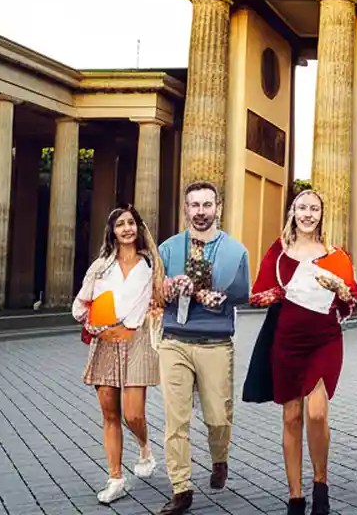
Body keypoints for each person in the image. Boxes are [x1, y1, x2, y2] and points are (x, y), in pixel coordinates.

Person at [244, 188, 357, 515]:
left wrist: (338, 288)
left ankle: (320, 482)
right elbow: (258, 295)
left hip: (324, 339)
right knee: (292, 415)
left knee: (317, 412)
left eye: (314, 209)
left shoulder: (336, 254)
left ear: (322, 215)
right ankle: (295, 496)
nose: (308, 214)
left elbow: (351, 299)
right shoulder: (279, 252)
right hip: (287, 340)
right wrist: (282, 291)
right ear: (293, 212)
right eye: (302, 208)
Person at [155, 181, 252, 515]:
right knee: (175, 420)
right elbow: (156, 294)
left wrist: (219, 295)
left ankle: (219, 459)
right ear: (186, 208)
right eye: (194, 205)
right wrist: (169, 288)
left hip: (215, 342)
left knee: (217, 417)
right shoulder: (167, 249)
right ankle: (181, 489)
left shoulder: (236, 251)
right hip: (175, 341)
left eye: (206, 205)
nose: (200, 212)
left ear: (218, 208)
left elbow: (244, 294)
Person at [71, 204, 164, 504]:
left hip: (138, 342)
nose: (127, 228)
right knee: (110, 413)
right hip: (105, 345)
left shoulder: (151, 266)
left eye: (131, 223)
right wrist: (93, 324)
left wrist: (156, 311)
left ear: (139, 228)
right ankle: (115, 478)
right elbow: (79, 306)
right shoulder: (101, 267)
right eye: (120, 224)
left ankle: (145, 447)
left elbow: (161, 301)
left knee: (133, 413)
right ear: (112, 232)